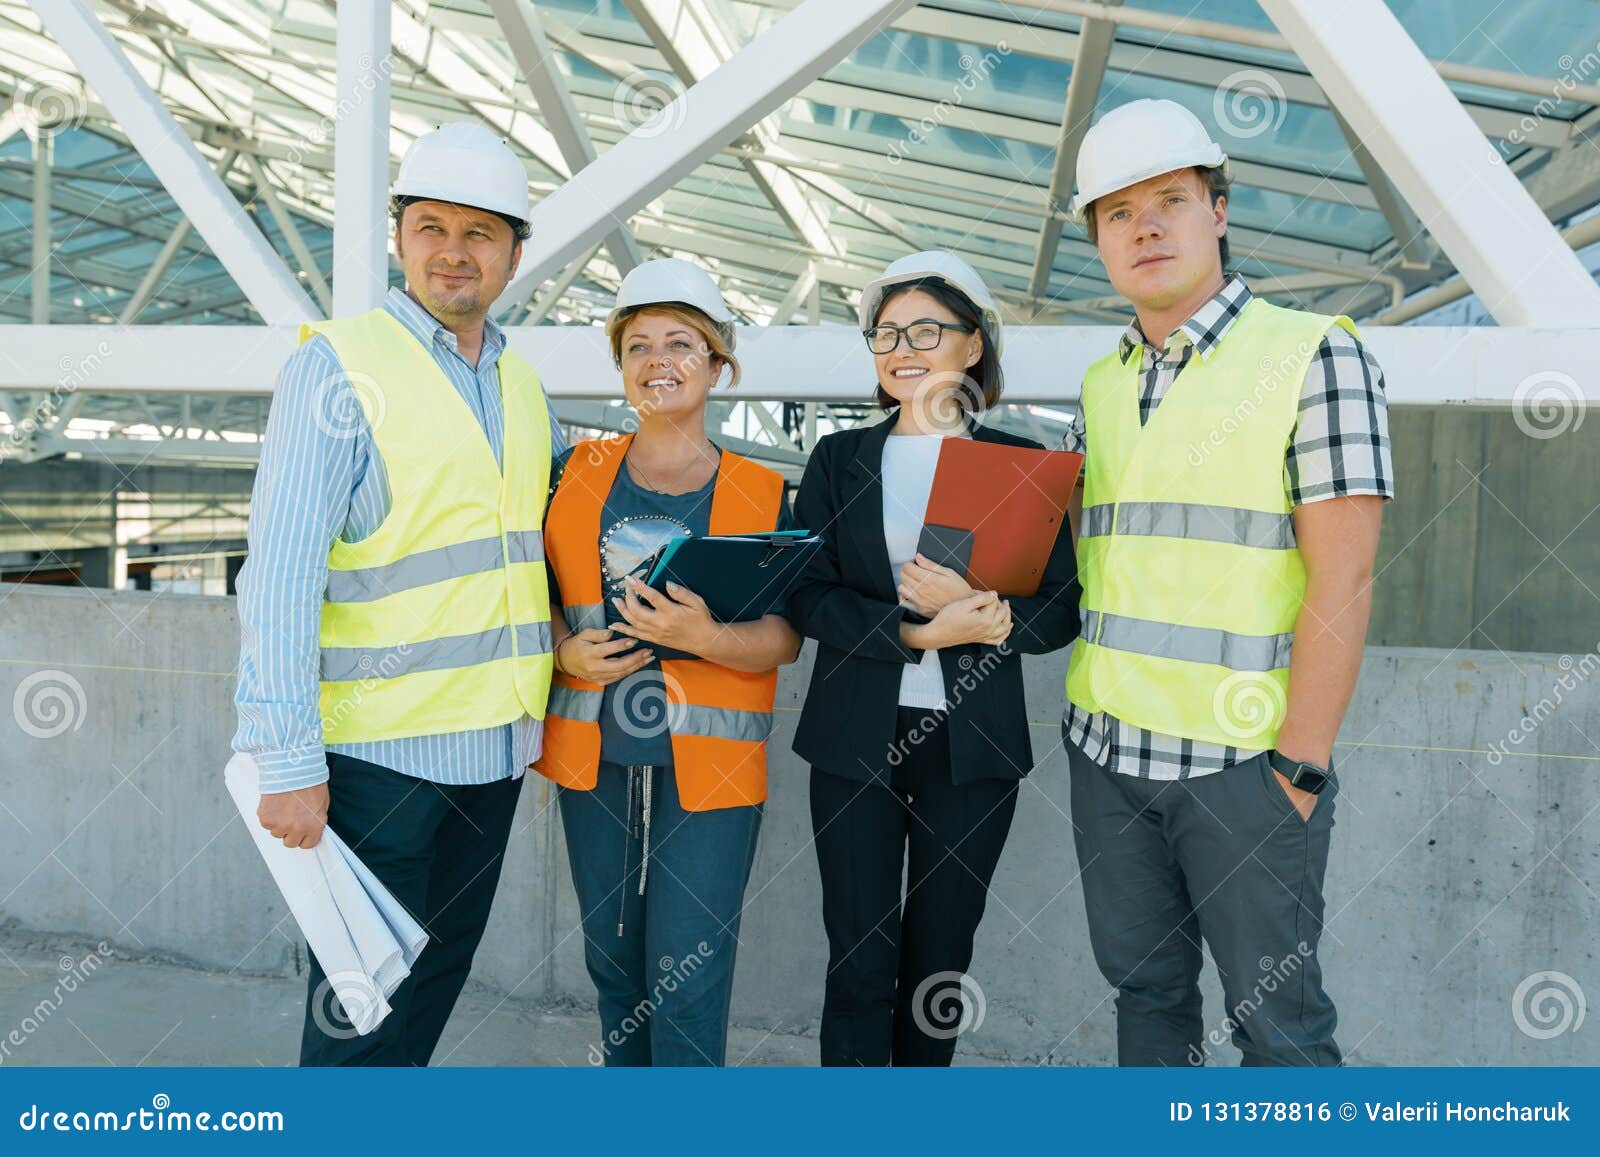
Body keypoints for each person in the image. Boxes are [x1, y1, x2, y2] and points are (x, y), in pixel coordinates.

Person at [1061, 98, 1394, 1067]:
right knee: (1147, 999)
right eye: (1118, 213)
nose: (1146, 226)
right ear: (1098, 240)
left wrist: (1297, 766)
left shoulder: (1313, 354)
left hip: (1243, 769)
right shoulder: (1101, 381)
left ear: (1218, 211)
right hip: (1108, 756)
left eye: (1170, 199)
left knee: (1280, 1031)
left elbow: (1346, 573)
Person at [232, 122, 565, 1066]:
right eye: (430, 226)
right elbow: (281, 576)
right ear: (399, 238)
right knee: (357, 1016)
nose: (453, 251)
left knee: (426, 1003)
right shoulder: (336, 366)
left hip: (492, 757)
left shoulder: (522, 383)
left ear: (512, 254)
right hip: (376, 763)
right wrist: (287, 758)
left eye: (480, 233)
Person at [786, 250, 1080, 1066]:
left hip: (970, 748)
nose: (901, 348)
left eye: (925, 329)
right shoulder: (840, 461)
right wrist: (914, 634)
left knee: (939, 963)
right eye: (886, 333)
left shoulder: (1022, 463)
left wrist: (986, 620)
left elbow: (1061, 606)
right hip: (853, 743)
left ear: (974, 346)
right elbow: (806, 594)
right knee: (858, 960)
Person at [534, 258, 802, 1066]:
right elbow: (529, 589)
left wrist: (709, 639)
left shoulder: (762, 490)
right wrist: (561, 648)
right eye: (639, 345)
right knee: (614, 968)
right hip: (594, 758)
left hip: (709, 768)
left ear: (718, 363)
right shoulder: (572, 475)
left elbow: (787, 634)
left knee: (687, 979)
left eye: (681, 344)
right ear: (620, 365)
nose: (659, 362)